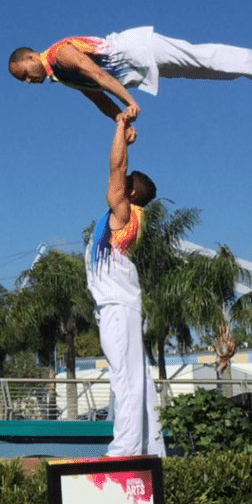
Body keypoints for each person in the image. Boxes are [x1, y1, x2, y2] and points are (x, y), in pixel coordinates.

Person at [9, 26, 252, 125]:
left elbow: (98, 75)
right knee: (205, 71)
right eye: (23, 81)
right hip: (139, 68)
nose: (28, 81)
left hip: (139, 49)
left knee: (200, 56)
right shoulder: (60, 76)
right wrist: (119, 119)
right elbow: (97, 97)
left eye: (24, 74)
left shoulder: (60, 54)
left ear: (32, 57)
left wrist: (129, 103)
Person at [85, 116, 165, 457]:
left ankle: (126, 449)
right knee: (138, 378)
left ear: (131, 193)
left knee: (126, 379)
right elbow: (120, 171)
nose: (117, 184)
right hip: (118, 307)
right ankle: (151, 446)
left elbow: (117, 167)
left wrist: (120, 128)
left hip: (118, 307)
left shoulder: (124, 213)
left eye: (124, 183)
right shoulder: (124, 217)